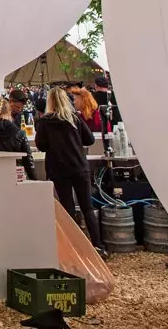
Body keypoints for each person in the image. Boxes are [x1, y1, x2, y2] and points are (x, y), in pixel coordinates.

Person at [35, 87, 105, 255]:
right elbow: (89, 139)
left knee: (68, 208)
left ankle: (74, 248)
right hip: (79, 167)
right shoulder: (75, 119)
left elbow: (41, 145)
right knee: (87, 207)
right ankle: (98, 245)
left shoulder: (45, 122)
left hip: (58, 169)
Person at [0, 96, 36, 180]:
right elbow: (28, 161)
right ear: (9, 111)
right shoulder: (19, 133)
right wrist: (34, 180)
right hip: (14, 176)